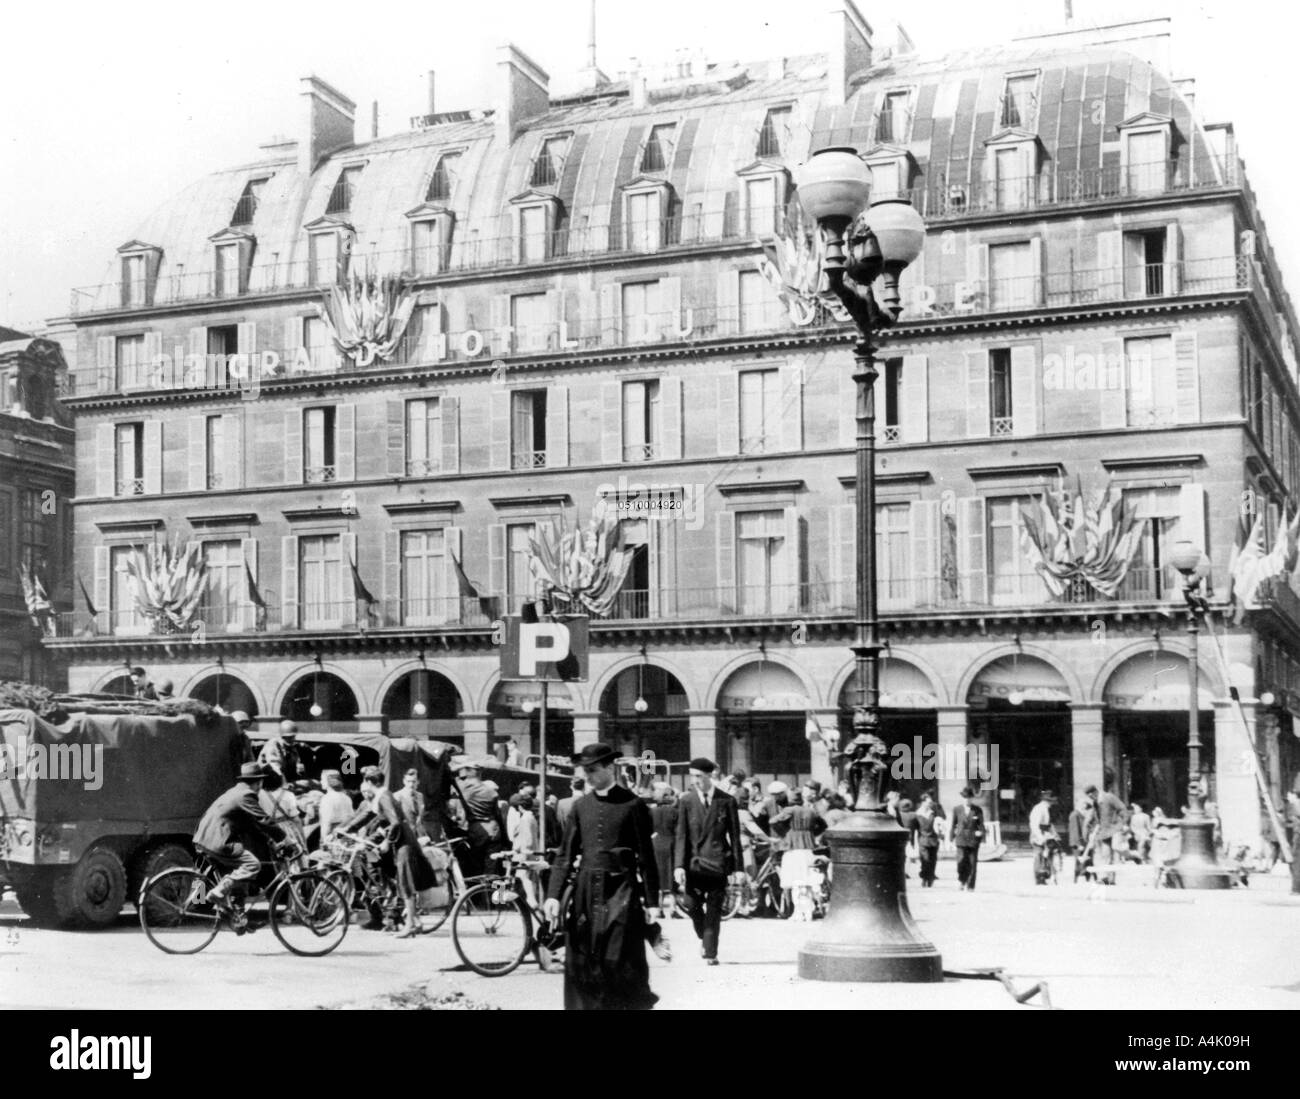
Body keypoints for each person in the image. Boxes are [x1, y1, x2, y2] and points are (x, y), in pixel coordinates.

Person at [544, 743, 660, 1011]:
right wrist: (553, 895)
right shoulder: (580, 806)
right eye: (585, 771)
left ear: (610, 767)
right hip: (586, 891)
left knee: (620, 957)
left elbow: (646, 857)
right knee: (584, 958)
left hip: (622, 890)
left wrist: (652, 901)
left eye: (593, 770)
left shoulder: (633, 804)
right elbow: (565, 854)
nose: (588, 776)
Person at [192, 763, 286, 923]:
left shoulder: (234, 792)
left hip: (203, 837)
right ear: (259, 782)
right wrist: (284, 838)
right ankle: (218, 892)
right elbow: (263, 820)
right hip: (218, 840)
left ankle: (237, 917)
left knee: (236, 873)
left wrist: (269, 840)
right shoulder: (246, 795)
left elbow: (251, 824)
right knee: (252, 865)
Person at [347, 769, 431, 937]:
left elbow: (395, 822)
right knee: (399, 881)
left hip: (404, 843)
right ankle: (415, 921)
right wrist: (345, 829)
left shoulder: (384, 796)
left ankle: (409, 926)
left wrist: (387, 841)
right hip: (400, 841)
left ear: (369, 783)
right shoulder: (382, 795)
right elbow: (367, 815)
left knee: (405, 884)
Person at [453, 760, 504, 878]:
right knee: (492, 869)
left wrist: (461, 765)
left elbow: (451, 774)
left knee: (477, 868)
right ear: (479, 774)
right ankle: (497, 889)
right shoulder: (491, 792)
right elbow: (498, 815)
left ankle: (481, 889)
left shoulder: (464, 789)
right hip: (494, 830)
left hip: (475, 831)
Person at [1086, 783, 1129, 884]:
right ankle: (1108, 879)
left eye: (1091, 795)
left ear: (1095, 792)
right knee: (1106, 855)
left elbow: (1122, 808)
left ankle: (1134, 856)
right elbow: (1098, 818)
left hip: (1116, 828)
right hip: (1105, 832)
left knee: (1117, 847)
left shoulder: (1109, 797)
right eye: (1089, 797)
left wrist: (1124, 823)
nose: (1091, 798)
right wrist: (1095, 831)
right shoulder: (1095, 803)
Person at [649, 784, 679, 919]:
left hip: (656, 844)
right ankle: (672, 908)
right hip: (671, 844)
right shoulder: (675, 812)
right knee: (671, 877)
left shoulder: (652, 812)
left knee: (658, 876)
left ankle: (659, 908)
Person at [949, 786, 986, 891]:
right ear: (962, 798)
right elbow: (953, 824)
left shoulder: (977, 810)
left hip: (973, 840)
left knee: (972, 863)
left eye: (969, 798)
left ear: (972, 798)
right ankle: (962, 880)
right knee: (961, 861)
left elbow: (981, 824)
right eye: (965, 798)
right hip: (961, 839)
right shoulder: (957, 809)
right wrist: (951, 838)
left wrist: (981, 834)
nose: (967, 800)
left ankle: (970, 885)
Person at [912, 791, 943, 886]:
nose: (930, 804)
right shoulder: (917, 814)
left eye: (931, 802)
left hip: (933, 839)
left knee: (933, 860)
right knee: (925, 859)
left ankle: (930, 878)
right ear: (923, 802)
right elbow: (914, 829)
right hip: (923, 840)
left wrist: (940, 827)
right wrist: (913, 842)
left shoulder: (933, 813)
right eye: (928, 802)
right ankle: (924, 877)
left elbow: (940, 821)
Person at [1028, 790, 1058, 885]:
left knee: (1047, 855)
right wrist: (1040, 837)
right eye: (1051, 801)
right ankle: (1039, 877)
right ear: (1047, 801)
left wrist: (1054, 834)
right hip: (1039, 834)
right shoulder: (1038, 809)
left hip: (1046, 833)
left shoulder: (1047, 809)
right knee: (1039, 855)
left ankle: (1045, 875)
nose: (1052, 803)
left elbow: (1049, 824)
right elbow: (1034, 825)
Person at [258, 720, 301, 784]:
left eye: (293, 737)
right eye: (289, 737)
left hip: (283, 776)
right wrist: (284, 783)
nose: (292, 739)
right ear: (283, 737)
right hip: (268, 778)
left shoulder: (291, 746)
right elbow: (274, 765)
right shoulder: (273, 744)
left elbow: (296, 761)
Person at [317, 770, 354, 843]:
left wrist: (323, 839)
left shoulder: (327, 798)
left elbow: (327, 823)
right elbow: (351, 817)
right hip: (345, 834)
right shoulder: (346, 797)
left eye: (322, 779)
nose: (321, 782)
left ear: (329, 782)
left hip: (332, 836)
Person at [1068, 794, 1097, 882]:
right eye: (1084, 804)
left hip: (1085, 842)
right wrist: (1079, 844)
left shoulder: (1081, 814)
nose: (1085, 806)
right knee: (1080, 862)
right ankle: (1076, 879)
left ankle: (1088, 878)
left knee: (1088, 861)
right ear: (1079, 804)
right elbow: (1075, 831)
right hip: (1079, 843)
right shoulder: (1075, 815)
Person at [395, 768, 427, 840]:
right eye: (408, 781)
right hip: (405, 836)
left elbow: (420, 817)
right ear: (404, 781)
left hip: (420, 834)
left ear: (418, 782)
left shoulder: (420, 796)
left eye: (413, 781)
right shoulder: (397, 796)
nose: (411, 784)